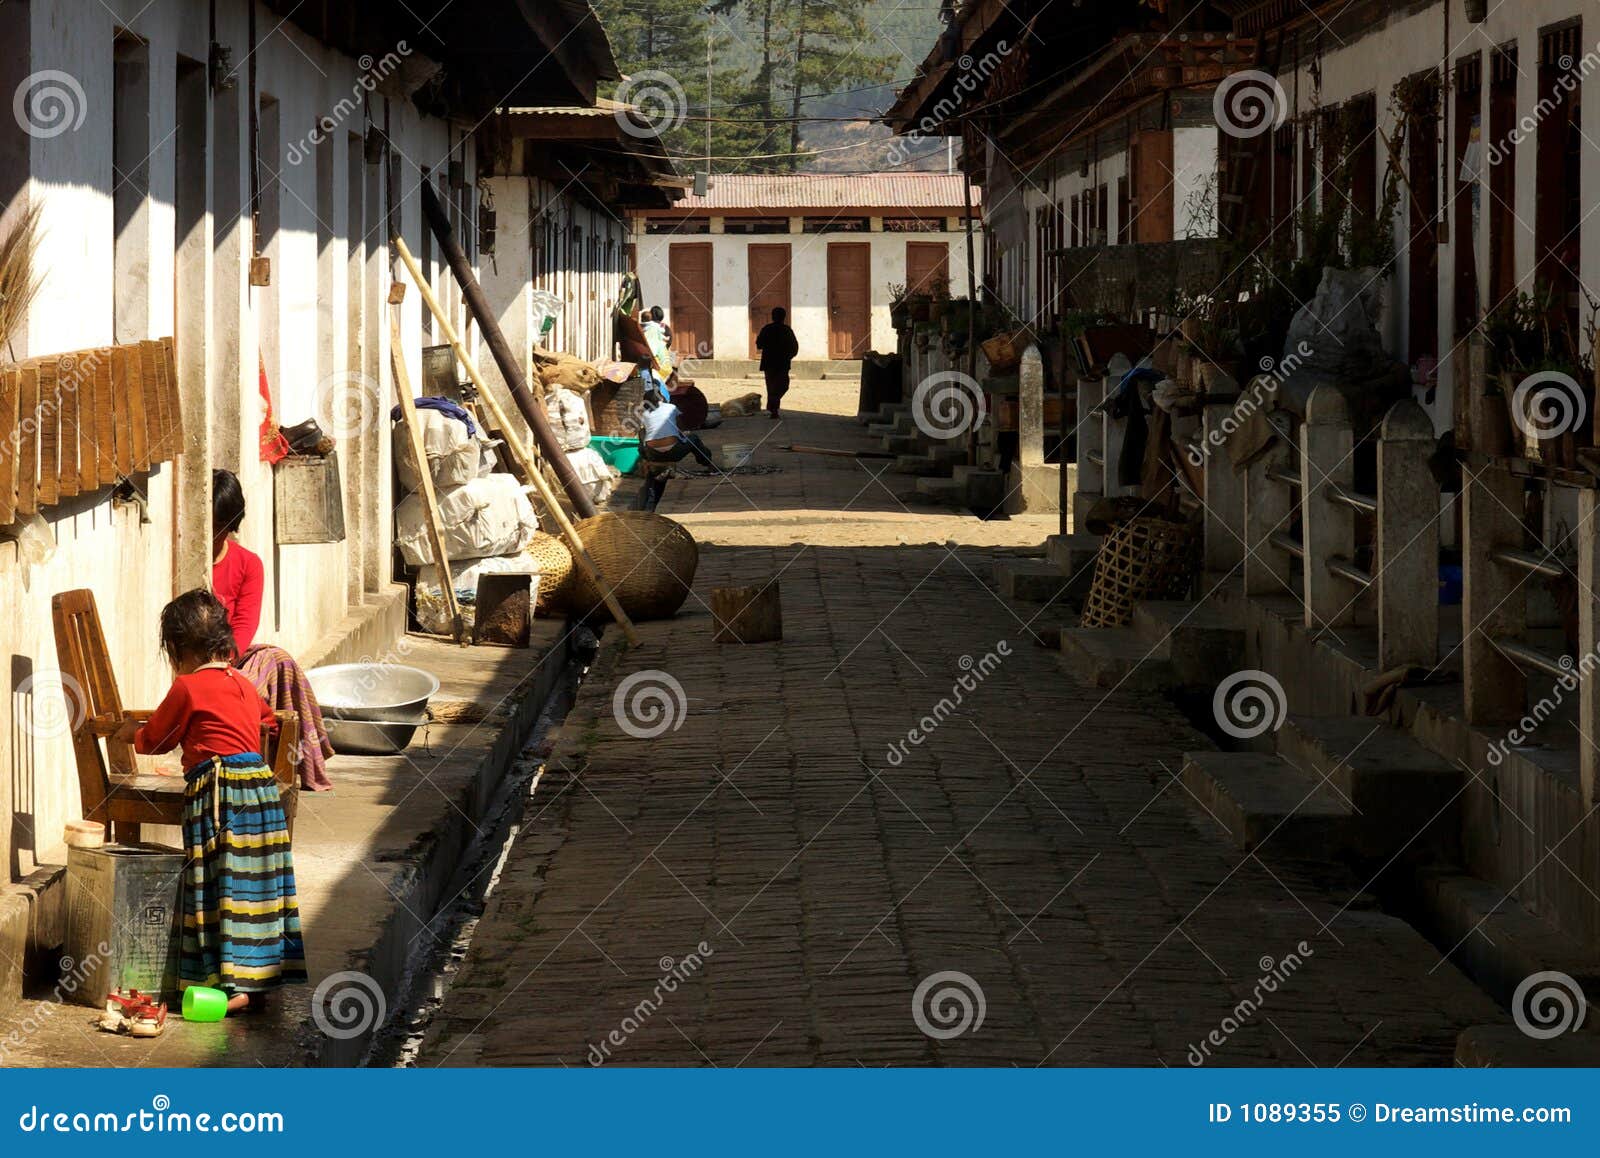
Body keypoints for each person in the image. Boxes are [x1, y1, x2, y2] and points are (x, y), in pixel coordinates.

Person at [117, 589, 307, 1014]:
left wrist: (129, 732)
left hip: (219, 791)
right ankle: (262, 977)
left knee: (216, 884)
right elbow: (266, 720)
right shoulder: (241, 681)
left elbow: (157, 739)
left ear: (179, 649)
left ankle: (230, 986)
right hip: (259, 788)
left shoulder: (186, 686)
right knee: (255, 881)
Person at [212, 469, 335, 792]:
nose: (213, 534)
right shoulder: (190, 558)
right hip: (193, 660)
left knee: (279, 663)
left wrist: (225, 660)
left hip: (231, 657)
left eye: (220, 526)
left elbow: (244, 624)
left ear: (230, 523)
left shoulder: (248, 564)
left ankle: (294, 761)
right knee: (236, 692)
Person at [636, 396, 718, 512]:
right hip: (674, 452)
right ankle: (709, 464)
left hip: (653, 453)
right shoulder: (671, 407)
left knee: (642, 433)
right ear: (661, 397)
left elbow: (646, 432)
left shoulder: (644, 414)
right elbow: (680, 427)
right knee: (693, 439)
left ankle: (648, 463)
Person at [755, 306, 798, 419]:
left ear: (772, 317)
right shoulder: (787, 330)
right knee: (783, 386)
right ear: (784, 317)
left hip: (769, 363)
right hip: (782, 363)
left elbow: (759, 344)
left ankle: (772, 407)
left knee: (772, 387)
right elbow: (794, 347)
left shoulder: (767, 328)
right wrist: (788, 356)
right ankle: (773, 410)